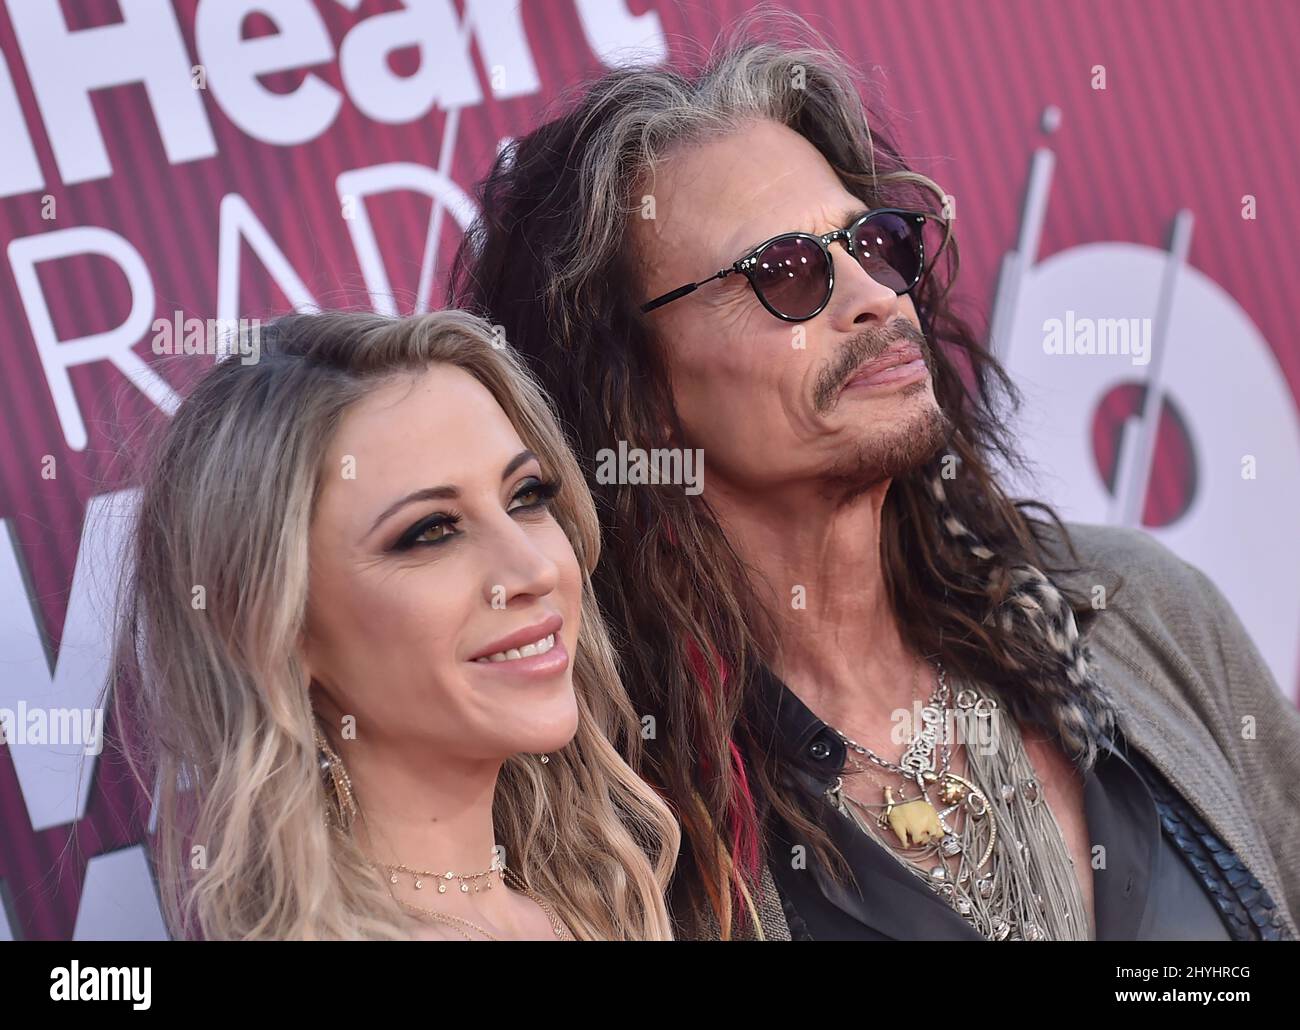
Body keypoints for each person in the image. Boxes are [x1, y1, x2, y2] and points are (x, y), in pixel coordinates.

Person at [448, 15, 1300, 940]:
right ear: (635, 390)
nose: (874, 296)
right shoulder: (614, 821)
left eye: (874, 242)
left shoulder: (1141, 608)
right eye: (785, 272)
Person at [108, 309, 678, 940]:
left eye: (526, 497)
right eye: (431, 532)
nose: (534, 569)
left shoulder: (592, 905)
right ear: (280, 630)